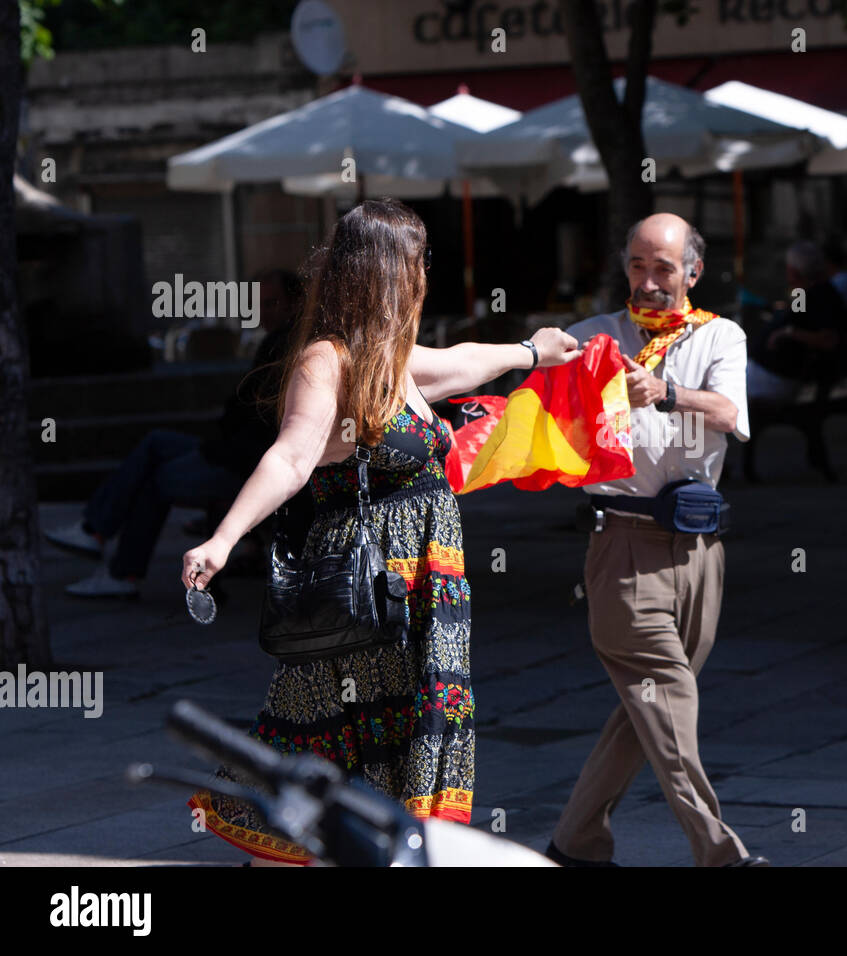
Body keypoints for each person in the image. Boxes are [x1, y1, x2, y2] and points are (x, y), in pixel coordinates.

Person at [180, 198, 580, 865]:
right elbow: (292, 456)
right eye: (419, 261)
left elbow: (463, 361)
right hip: (370, 587)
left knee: (395, 743)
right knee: (338, 740)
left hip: (422, 593)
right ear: (394, 273)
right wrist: (223, 539)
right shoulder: (326, 361)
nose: (426, 274)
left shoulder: (391, 360)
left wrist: (534, 350)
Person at [543, 212, 767, 867]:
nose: (647, 280)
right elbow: (547, 423)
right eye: (637, 265)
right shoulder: (590, 340)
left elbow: (729, 413)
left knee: (650, 712)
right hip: (622, 549)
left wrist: (665, 393)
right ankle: (720, 853)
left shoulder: (720, 337)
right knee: (665, 702)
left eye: (663, 267)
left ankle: (575, 845)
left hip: (701, 551)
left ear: (691, 273)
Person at [44, 268, 304, 600]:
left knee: (158, 480)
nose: (264, 313)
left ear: (295, 303)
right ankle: (93, 531)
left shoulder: (286, 344)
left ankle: (121, 569)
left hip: (243, 461)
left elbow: (253, 416)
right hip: (231, 449)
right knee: (156, 443)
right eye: (259, 305)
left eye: (272, 303)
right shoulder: (277, 340)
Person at [746, 240, 847, 404]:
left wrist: (787, 333)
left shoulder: (821, 295)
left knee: (699, 385)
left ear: (793, 269)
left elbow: (829, 340)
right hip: (767, 373)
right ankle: (695, 429)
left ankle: (694, 430)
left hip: (775, 379)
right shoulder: (805, 291)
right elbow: (795, 316)